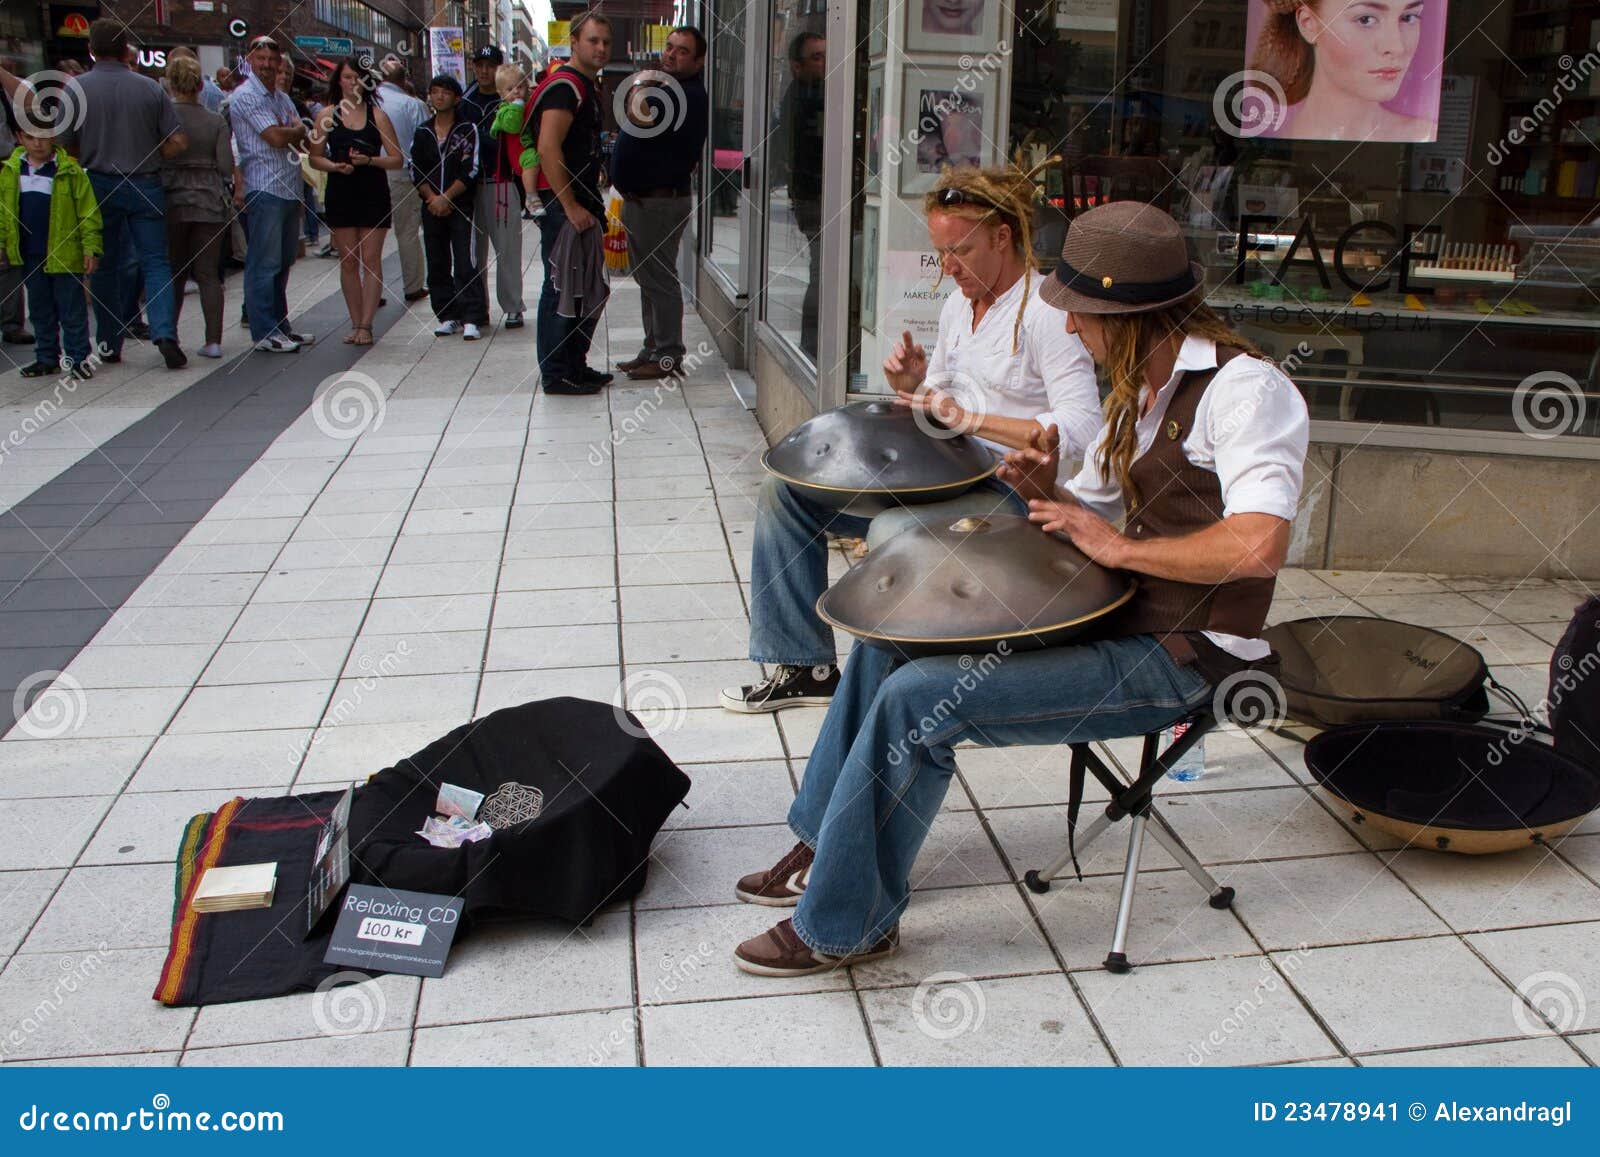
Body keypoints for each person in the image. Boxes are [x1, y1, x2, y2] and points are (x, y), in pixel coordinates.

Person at [729, 199, 1310, 975]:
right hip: (1116, 617)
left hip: (1182, 652)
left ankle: (846, 920)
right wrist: (1058, 497)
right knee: (884, 646)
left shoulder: (1248, 392)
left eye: (1081, 316)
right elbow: (1100, 523)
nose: (1069, 329)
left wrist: (1113, 543)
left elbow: (1259, 545)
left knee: (915, 699)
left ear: (1128, 315)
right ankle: (824, 839)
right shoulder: (1134, 389)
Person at [720, 166, 1102, 714]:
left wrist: (968, 417)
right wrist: (915, 387)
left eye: (961, 250)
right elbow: (943, 410)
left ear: (1002, 237)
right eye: (941, 252)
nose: (948, 268)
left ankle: (900, 695)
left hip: (1015, 494)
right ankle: (804, 665)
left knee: (890, 527)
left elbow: (1084, 429)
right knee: (784, 495)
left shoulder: (1046, 311)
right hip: (951, 479)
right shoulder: (956, 308)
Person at [73, 19, 188, 369]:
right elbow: (178, 141)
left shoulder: (74, 89)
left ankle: (109, 340)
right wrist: (152, 156)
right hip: (144, 179)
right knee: (155, 261)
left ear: (91, 50)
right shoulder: (149, 89)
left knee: (105, 265)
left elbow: (64, 148)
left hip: (98, 183)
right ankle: (164, 331)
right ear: (126, 50)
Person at [610, 26, 710, 380]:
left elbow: (638, 116)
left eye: (682, 51)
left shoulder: (687, 96)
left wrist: (642, 89)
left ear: (699, 60)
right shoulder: (671, 90)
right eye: (669, 47)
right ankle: (653, 348)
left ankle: (667, 356)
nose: (671, 54)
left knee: (660, 280)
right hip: (645, 201)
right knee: (649, 279)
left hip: (659, 203)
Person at [525, 11, 613, 395]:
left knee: (585, 286)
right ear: (574, 41)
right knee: (563, 286)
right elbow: (547, 147)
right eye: (593, 40)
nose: (601, 48)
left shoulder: (583, 86)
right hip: (566, 204)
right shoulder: (566, 86)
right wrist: (571, 205)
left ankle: (573, 365)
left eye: (606, 42)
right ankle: (557, 372)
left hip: (580, 200)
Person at [228, 35, 316, 353]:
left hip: (289, 187)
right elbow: (278, 137)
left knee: (282, 261)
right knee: (263, 263)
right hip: (264, 187)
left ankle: (280, 325)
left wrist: (294, 132)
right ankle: (264, 330)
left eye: (272, 60)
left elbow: (299, 137)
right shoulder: (246, 96)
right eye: (260, 58)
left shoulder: (279, 97)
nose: (266, 65)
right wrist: (295, 131)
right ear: (250, 59)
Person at [310, 59, 402, 346]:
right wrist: (334, 166)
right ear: (339, 81)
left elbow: (397, 158)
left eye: (358, 78)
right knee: (348, 261)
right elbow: (314, 156)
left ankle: (366, 324)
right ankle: (354, 321)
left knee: (371, 260)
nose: (352, 83)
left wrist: (370, 160)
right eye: (347, 77)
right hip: (341, 189)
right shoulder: (327, 115)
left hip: (372, 190)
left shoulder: (378, 115)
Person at [1250, 0, 1433, 141]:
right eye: (1366, 19)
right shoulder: (1266, 145)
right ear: (1308, 24)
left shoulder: (1427, 135)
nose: (1397, 46)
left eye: (1408, 17)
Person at [0, 122, 101, 379]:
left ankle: (78, 358)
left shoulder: (69, 171)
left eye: (43, 138)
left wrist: (91, 247)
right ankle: (46, 356)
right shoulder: (11, 171)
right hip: (30, 252)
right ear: (20, 138)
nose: (38, 143)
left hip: (64, 251)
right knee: (39, 307)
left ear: (53, 138)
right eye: (31, 138)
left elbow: (88, 212)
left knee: (71, 308)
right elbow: (4, 212)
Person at [160, 53, 233, 360]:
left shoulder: (163, 118)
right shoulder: (215, 121)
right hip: (209, 201)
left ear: (170, 83)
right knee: (207, 274)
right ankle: (213, 341)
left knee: (174, 272)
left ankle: (169, 334)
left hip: (172, 199)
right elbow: (227, 167)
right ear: (200, 86)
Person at [411, 73, 485, 341]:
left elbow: (471, 169)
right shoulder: (422, 131)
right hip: (431, 206)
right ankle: (446, 314)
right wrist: (432, 198)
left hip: (461, 205)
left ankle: (472, 316)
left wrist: (448, 197)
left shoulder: (467, 129)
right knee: (437, 260)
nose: (439, 96)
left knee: (466, 260)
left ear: (456, 97)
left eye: (445, 91)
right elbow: (415, 168)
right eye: (435, 91)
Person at [462, 45, 526, 330]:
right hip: (468, 184)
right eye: (480, 65)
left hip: (501, 180)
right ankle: (477, 309)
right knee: (474, 251)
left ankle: (513, 306)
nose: (485, 71)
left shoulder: (512, 98)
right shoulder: (465, 99)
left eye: (490, 65)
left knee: (508, 247)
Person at [773, 33, 825, 358]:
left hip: (813, 196)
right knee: (823, 271)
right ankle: (812, 345)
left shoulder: (813, 92)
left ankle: (814, 343)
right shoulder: (805, 97)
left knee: (822, 270)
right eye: (817, 57)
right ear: (797, 65)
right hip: (815, 198)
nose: (826, 63)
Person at [376, 57, 430, 303]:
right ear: (404, 79)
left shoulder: (366, 103)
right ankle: (413, 285)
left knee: (369, 237)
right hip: (403, 175)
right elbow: (425, 144)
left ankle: (371, 292)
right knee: (407, 232)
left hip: (370, 174)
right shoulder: (411, 104)